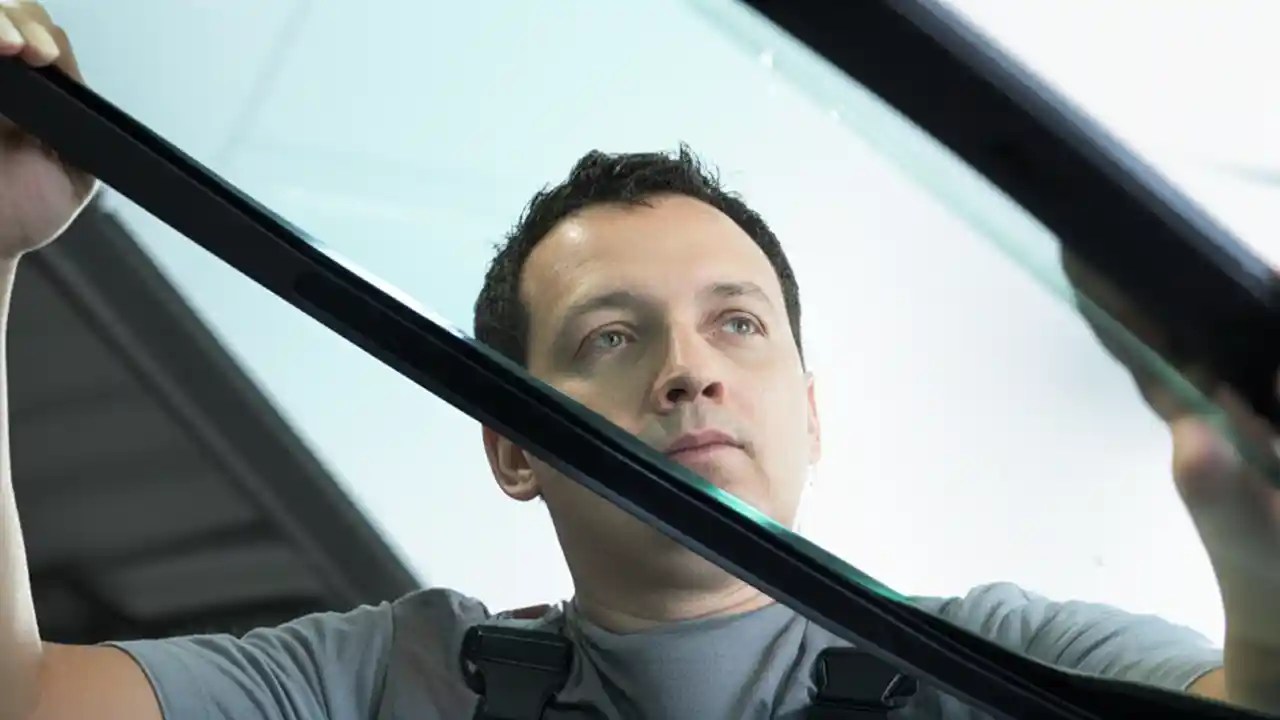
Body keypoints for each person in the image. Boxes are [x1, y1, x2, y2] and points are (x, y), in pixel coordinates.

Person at [2, 3, 1279, 718]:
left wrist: (1252, 543)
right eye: (610, 337)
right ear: (510, 446)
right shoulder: (389, 682)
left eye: (738, 323)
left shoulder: (1001, 662)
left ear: (810, 408)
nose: (687, 371)